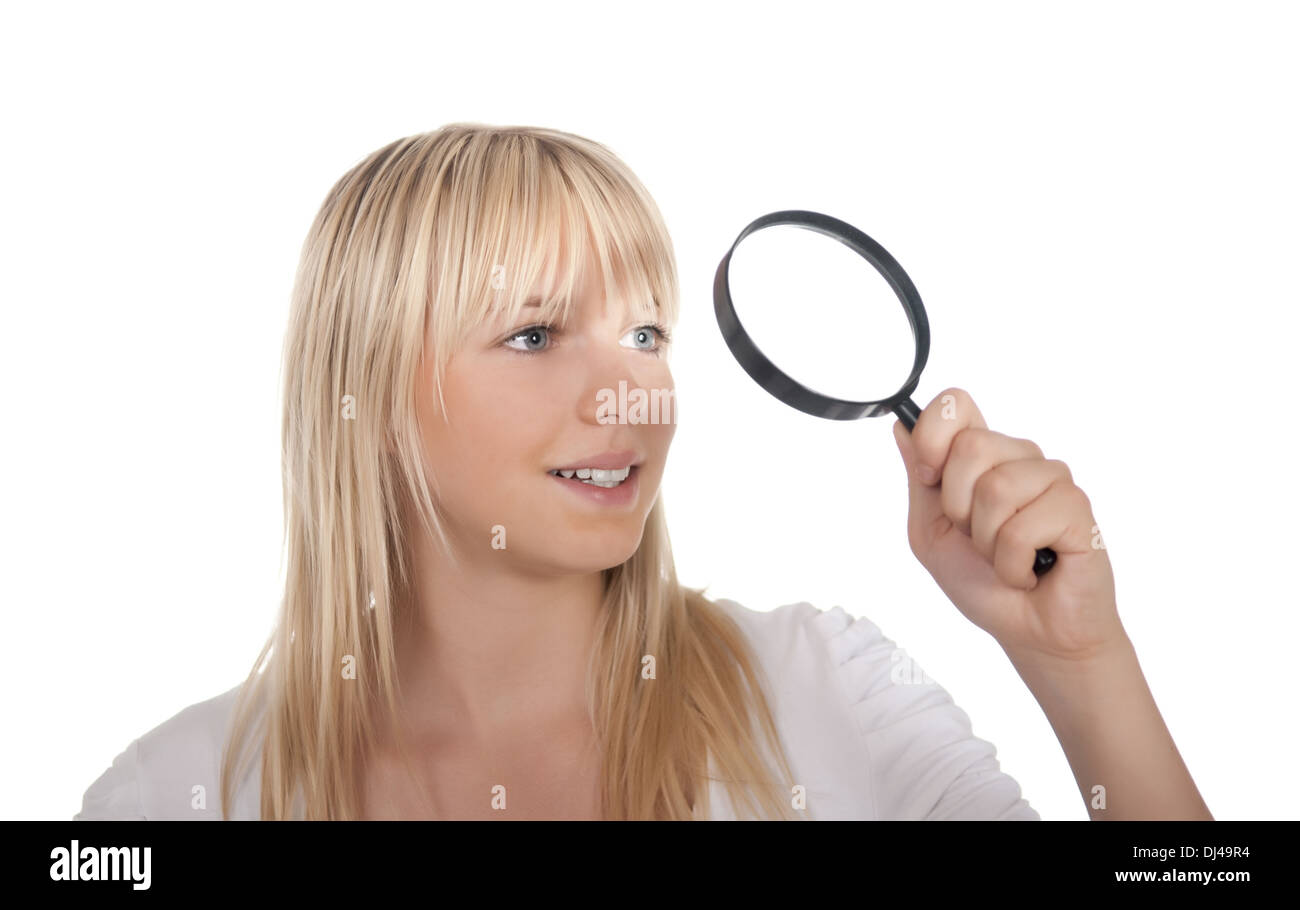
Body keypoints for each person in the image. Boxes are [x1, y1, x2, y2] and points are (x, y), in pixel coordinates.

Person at [74, 123, 1212, 821]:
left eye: (647, 335)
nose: (627, 396)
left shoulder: (827, 692)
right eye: (532, 336)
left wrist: (1078, 662)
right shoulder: (170, 798)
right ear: (364, 397)